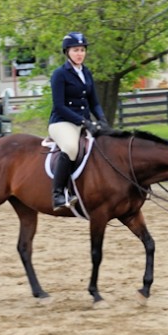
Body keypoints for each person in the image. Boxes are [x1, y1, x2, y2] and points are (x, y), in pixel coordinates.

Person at [48, 32, 109, 210]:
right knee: (71, 148)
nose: (79, 54)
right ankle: (58, 194)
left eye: (82, 50)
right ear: (67, 52)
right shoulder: (60, 74)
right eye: (75, 50)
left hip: (83, 122)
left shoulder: (86, 73)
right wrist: (84, 122)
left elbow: (94, 102)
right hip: (62, 122)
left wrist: (102, 120)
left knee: (108, 143)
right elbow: (59, 106)